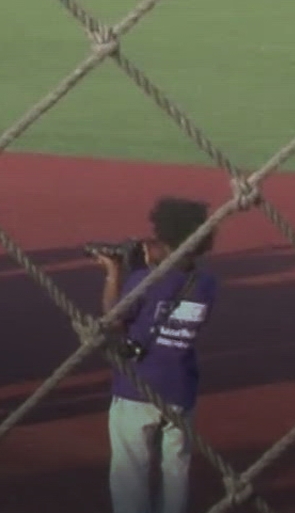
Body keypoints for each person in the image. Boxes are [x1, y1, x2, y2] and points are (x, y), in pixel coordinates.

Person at [103, 198, 218, 513]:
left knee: (131, 471)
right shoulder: (207, 284)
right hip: (181, 390)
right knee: (176, 469)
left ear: (167, 243)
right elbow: (168, 298)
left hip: (137, 389)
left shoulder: (144, 282)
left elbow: (114, 319)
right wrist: (144, 269)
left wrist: (115, 273)